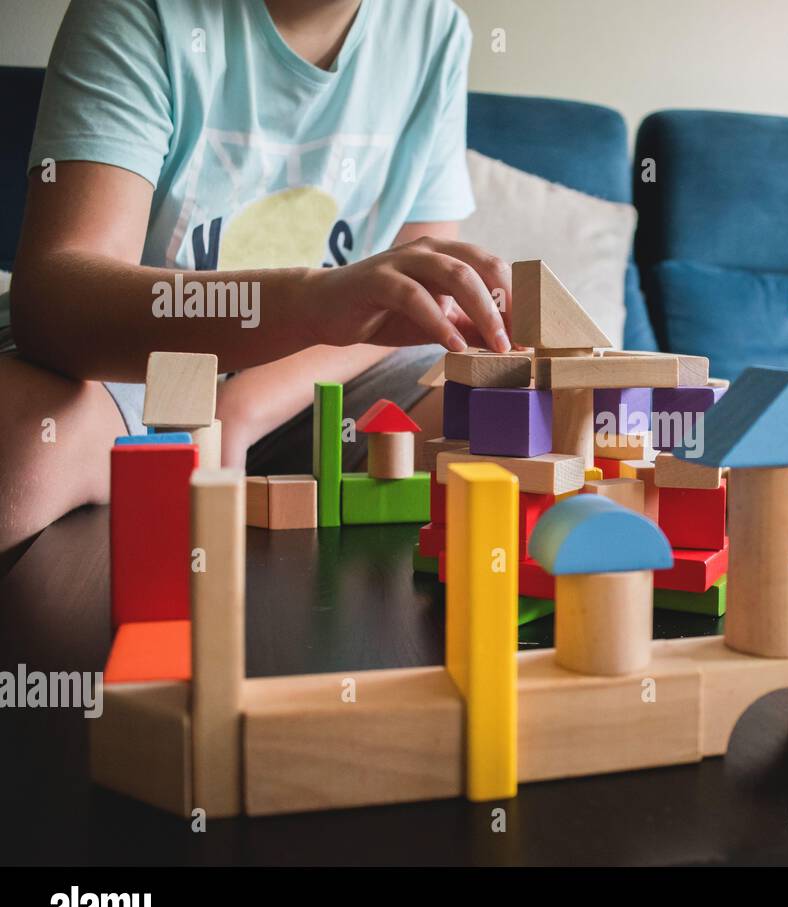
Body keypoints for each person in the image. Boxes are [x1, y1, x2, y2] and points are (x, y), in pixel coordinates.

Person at [0, 0, 507, 572]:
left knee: (519, 419)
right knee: (26, 451)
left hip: (317, 373)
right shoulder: (141, 11)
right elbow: (55, 303)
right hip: (135, 369)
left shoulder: (434, 29)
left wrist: (241, 408)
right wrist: (307, 303)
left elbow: (413, 307)